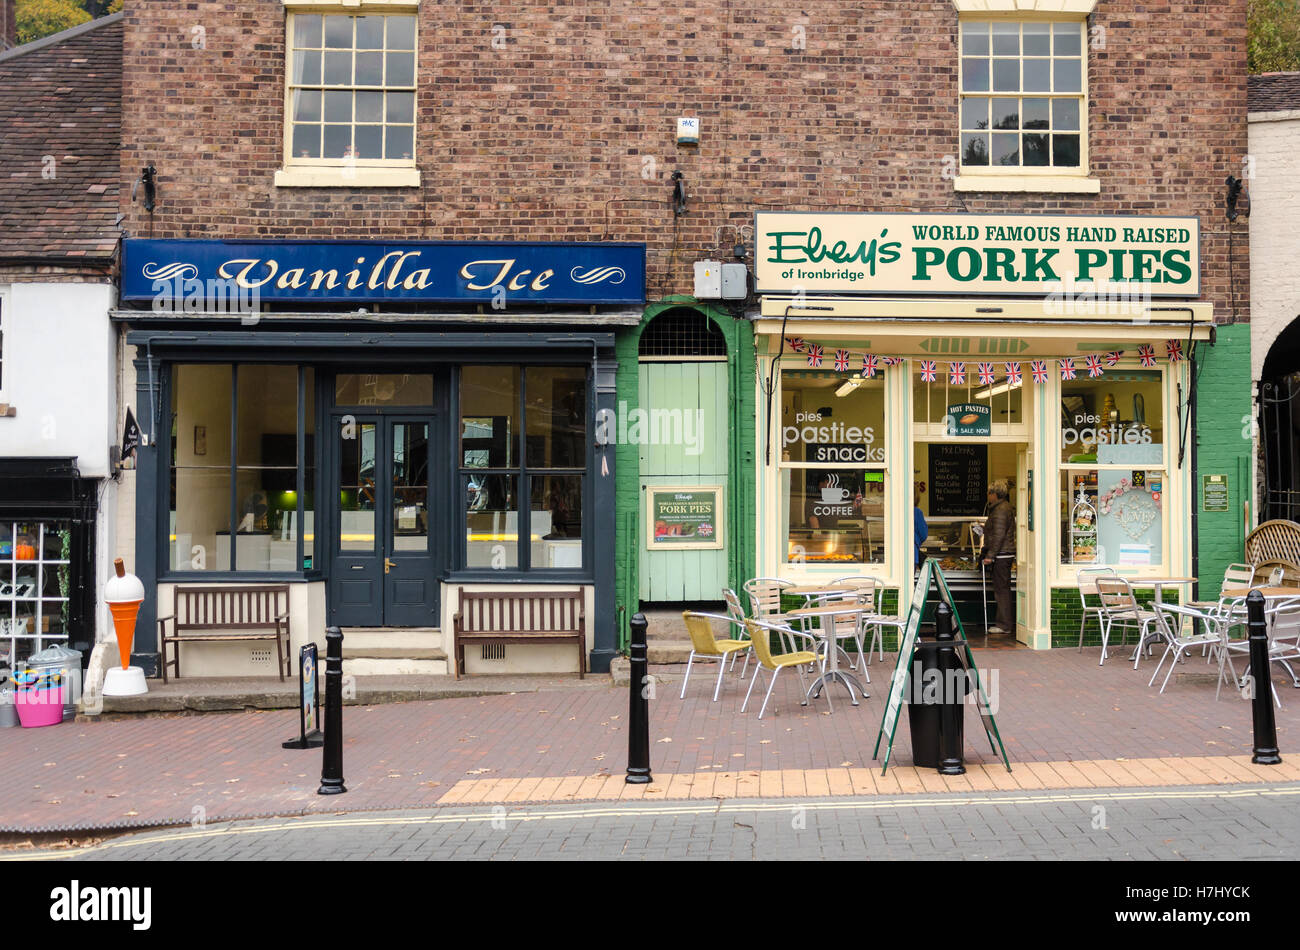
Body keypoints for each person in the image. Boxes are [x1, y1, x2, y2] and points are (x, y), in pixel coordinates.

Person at [980, 479, 1016, 634]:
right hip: (1003, 554)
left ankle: (1004, 625)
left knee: (1001, 590)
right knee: (1002, 588)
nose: (988, 496)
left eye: (989, 492)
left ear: (995, 494)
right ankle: (1004, 623)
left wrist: (990, 555)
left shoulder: (1000, 510)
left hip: (1001, 555)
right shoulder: (1002, 508)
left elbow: (999, 535)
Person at [913, 492, 929, 567]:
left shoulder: (895, 511)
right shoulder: (917, 512)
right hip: (912, 554)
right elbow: (923, 534)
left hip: (894, 556)